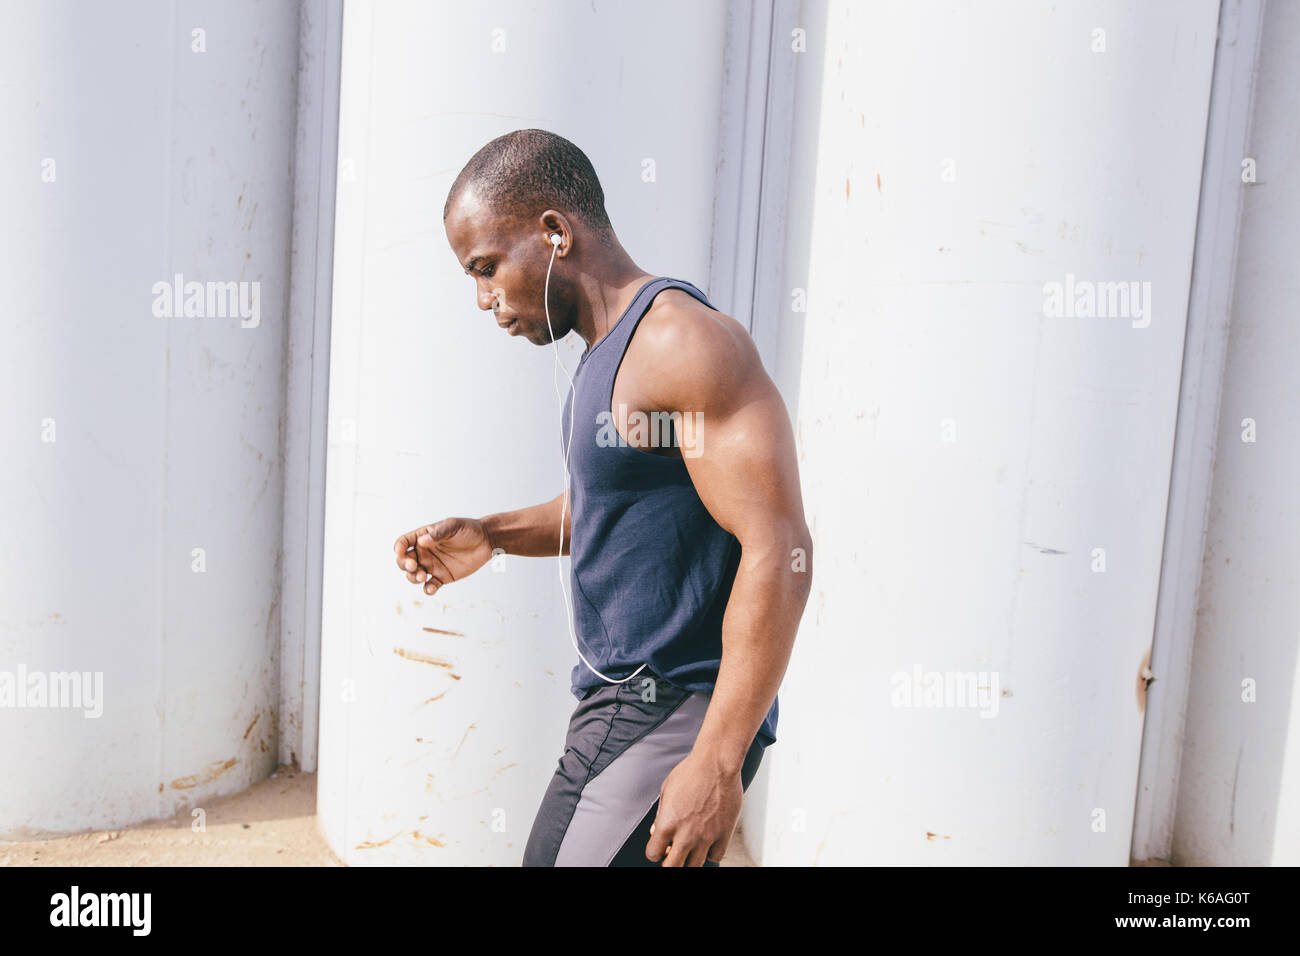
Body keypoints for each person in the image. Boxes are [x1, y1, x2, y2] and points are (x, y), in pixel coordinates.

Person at [393, 129, 812, 866]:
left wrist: (715, 761)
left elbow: (780, 547)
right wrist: (492, 533)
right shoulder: (609, 351)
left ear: (554, 231)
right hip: (634, 708)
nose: (484, 299)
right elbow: (614, 505)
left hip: (667, 711)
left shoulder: (679, 344)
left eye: (486, 267)